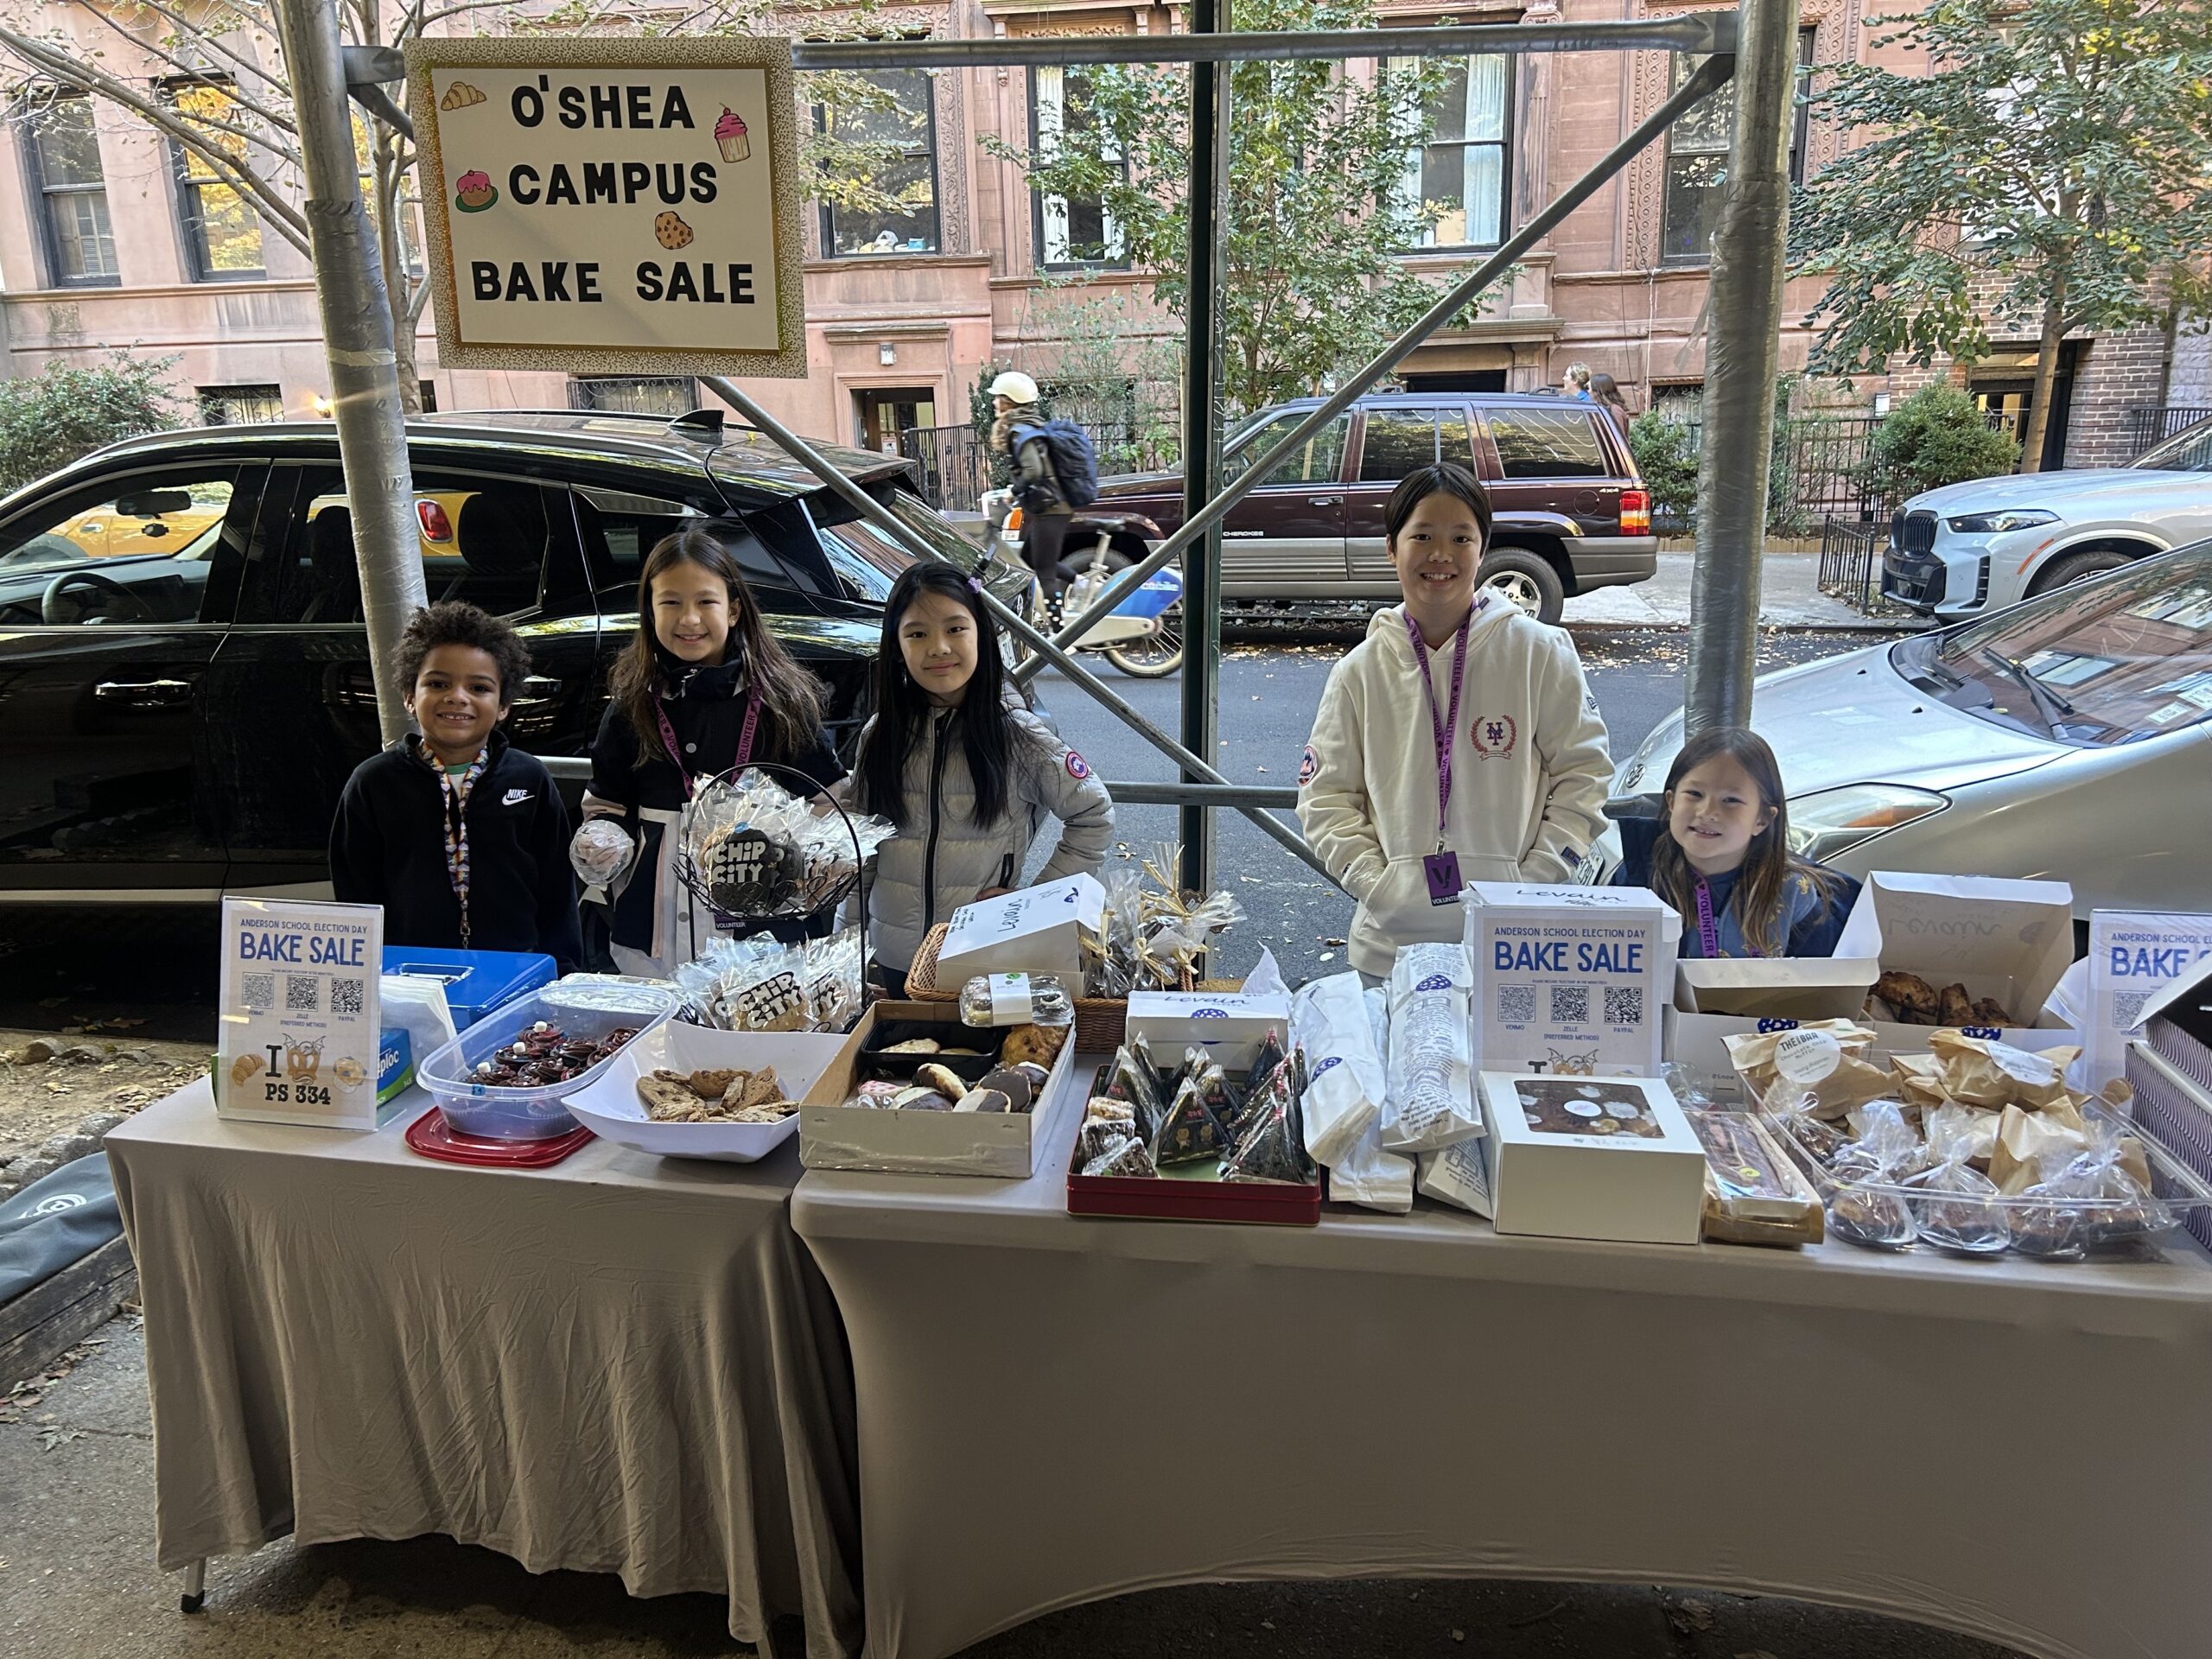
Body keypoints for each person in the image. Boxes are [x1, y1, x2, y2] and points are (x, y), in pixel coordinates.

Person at [1298, 463, 1613, 980]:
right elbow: (1325, 796)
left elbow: (1586, 774)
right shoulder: (1359, 671)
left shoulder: (1539, 653)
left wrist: (1537, 880)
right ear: (1392, 549)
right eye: (1421, 535)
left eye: (1460, 537)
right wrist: (1376, 883)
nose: (1440, 554)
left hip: (1515, 946)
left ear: (1482, 549)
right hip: (1389, 952)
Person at [582, 526, 844, 977]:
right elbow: (608, 801)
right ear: (649, 611)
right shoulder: (632, 704)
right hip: (654, 928)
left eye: (706, 601)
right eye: (670, 602)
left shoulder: (782, 704)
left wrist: (817, 861)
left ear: (735, 609)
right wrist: (603, 840)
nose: (689, 619)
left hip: (762, 929)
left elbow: (829, 800)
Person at [850, 563, 1114, 994]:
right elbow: (859, 849)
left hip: (980, 958)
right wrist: (851, 947)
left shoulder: (1017, 734)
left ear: (982, 635)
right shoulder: (879, 736)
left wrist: (1033, 905)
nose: (938, 648)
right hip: (894, 957)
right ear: (897, 647)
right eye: (917, 634)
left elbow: (1093, 815)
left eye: (955, 629)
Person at [331, 601, 582, 972]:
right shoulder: (372, 784)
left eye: (479, 687)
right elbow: (356, 898)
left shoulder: (529, 779)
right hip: (409, 975)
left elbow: (558, 890)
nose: (457, 697)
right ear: (408, 696)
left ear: (503, 706)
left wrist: (563, 972)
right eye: (437, 683)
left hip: (516, 971)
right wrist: (367, 975)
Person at [1611, 727, 1859, 958]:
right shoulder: (1638, 876)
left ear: (1762, 819)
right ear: (1671, 801)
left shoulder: (1796, 893)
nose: (1708, 812)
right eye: (1695, 794)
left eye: (1731, 800)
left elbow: (1825, 989)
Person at [986, 370, 1077, 615]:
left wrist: (1012, 492)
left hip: (1052, 509)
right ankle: (1082, 583)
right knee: (1030, 560)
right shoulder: (1028, 425)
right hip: (1050, 506)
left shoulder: (1019, 432)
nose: (994, 402)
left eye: (998, 397)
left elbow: (1033, 470)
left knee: (1044, 570)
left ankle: (1058, 631)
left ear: (1009, 401)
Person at [1587, 370, 1634, 440]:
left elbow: (1618, 438)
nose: (1588, 392)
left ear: (1597, 392)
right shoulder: (1603, 409)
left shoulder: (1615, 410)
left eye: (1589, 388)